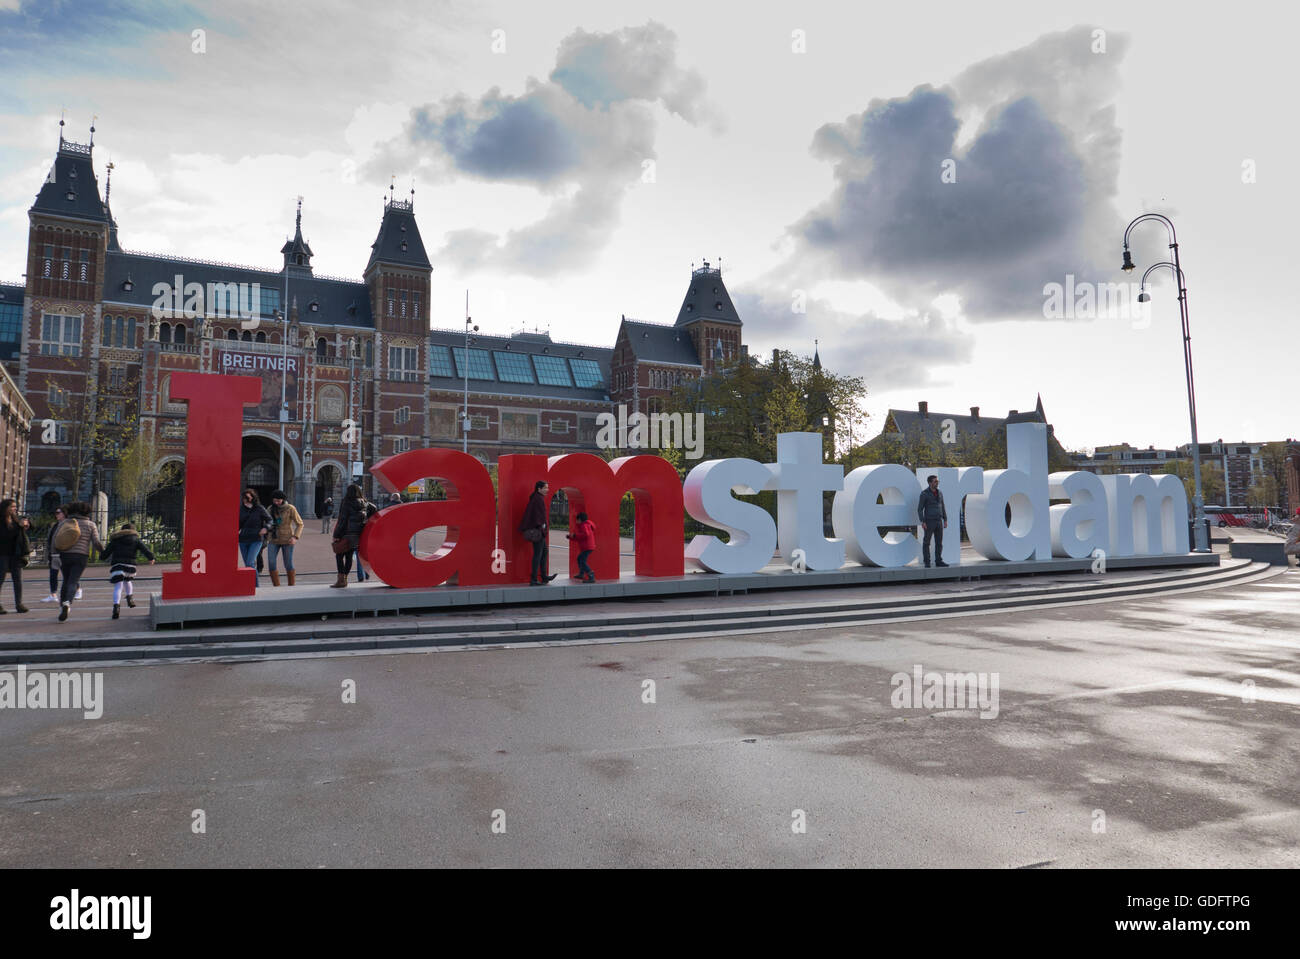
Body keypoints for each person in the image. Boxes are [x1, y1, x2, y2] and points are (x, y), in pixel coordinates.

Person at [55, 501, 103, 622]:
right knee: (73, 580)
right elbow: (96, 542)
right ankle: (67, 602)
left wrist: (54, 555)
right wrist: (103, 552)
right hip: (81, 556)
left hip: (65, 554)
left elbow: (56, 538)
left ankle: (63, 605)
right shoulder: (90, 524)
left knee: (66, 580)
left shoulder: (65, 522)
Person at [103, 522, 155, 619]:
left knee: (118, 586)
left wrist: (102, 556)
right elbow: (145, 549)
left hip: (117, 565)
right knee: (128, 580)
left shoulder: (116, 540)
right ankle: (130, 598)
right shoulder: (136, 539)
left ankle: (116, 608)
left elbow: (107, 552)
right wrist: (151, 558)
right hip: (130, 565)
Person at [332, 484, 372, 588]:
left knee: (339, 555)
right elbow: (374, 509)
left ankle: (341, 580)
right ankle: (344, 578)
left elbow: (342, 520)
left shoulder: (346, 502)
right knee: (349, 556)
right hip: (357, 535)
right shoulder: (365, 503)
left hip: (346, 533)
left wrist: (336, 534)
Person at [520, 480, 557, 585]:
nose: (547, 490)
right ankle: (534, 579)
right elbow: (538, 517)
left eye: (547, 487)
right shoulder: (538, 499)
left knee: (544, 552)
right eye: (545, 488)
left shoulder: (537, 498)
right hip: (538, 531)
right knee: (538, 554)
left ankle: (544, 576)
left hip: (539, 531)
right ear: (539, 489)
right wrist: (542, 527)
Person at [266, 490, 304, 586]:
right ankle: (276, 586)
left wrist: (295, 537)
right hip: (273, 539)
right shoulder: (270, 509)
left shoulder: (290, 508)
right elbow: (265, 521)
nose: (276, 503)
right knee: (271, 563)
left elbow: (300, 524)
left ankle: (291, 586)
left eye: (278, 500)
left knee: (288, 564)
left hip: (288, 540)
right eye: (274, 500)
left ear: (283, 500)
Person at [0, 498, 31, 614]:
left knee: (17, 579)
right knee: (0, 578)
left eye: (15, 506)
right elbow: (5, 536)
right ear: (6, 508)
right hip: (3, 553)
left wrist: (27, 524)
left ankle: (19, 604)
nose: (15, 509)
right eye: (12, 507)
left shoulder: (15, 519)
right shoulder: (1, 521)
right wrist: (19, 526)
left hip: (16, 554)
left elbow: (21, 531)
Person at [238, 488, 271, 585]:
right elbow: (237, 523)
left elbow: (270, 520)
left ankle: (256, 586)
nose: (245, 500)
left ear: (252, 498)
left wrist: (266, 528)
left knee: (250, 563)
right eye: (244, 498)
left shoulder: (259, 508)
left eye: (247, 498)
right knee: (248, 565)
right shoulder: (240, 509)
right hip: (243, 539)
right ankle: (252, 585)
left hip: (256, 539)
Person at [917, 474, 949, 568]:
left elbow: (942, 506)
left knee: (939, 543)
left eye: (937, 481)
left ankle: (939, 561)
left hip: (939, 521)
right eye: (935, 481)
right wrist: (922, 521)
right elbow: (919, 509)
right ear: (930, 482)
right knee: (926, 542)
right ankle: (927, 562)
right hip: (929, 522)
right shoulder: (924, 493)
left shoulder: (940, 493)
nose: (937, 483)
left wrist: (945, 519)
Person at [42, 505, 68, 603]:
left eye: (58, 513)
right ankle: (53, 594)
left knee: (67, 574)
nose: (56, 515)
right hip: (54, 554)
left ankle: (77, 589)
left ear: (64, 514)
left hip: (64, 554)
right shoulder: (55, 525)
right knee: (53, 575)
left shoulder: (67, 524)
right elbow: (50, 539)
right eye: (56, 513)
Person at [566, 511, 597, 583]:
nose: (576, 521)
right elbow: (580, 537)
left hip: (587, 547)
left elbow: (585, 535)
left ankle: (591, 575)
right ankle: (581, 573)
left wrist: (574, 535)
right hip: (588, 546)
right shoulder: (586, 525)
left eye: (577, 520)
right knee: (580, 558)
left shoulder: (584, 525)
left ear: (580, 519)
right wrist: (571, 537)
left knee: (582, 561)